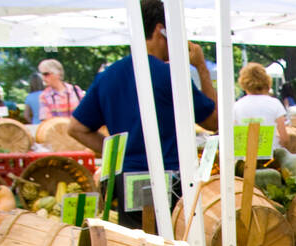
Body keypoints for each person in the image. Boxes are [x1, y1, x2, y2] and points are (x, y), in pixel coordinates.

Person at [68, 0, 217, 229]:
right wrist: (201, 68)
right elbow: (215, 121)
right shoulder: (170, 75)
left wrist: (119, 155)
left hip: (125, 178)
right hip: (168, 180)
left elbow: (76, 128)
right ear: (161, 30)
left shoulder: (109, 75)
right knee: (170, 244)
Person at [232, 62, 287, 151]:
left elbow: (232, 135)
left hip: (243, 158)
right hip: (270, 159)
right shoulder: (275, 104)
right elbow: (284, 139)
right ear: (267, 81)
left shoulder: (237, 105)